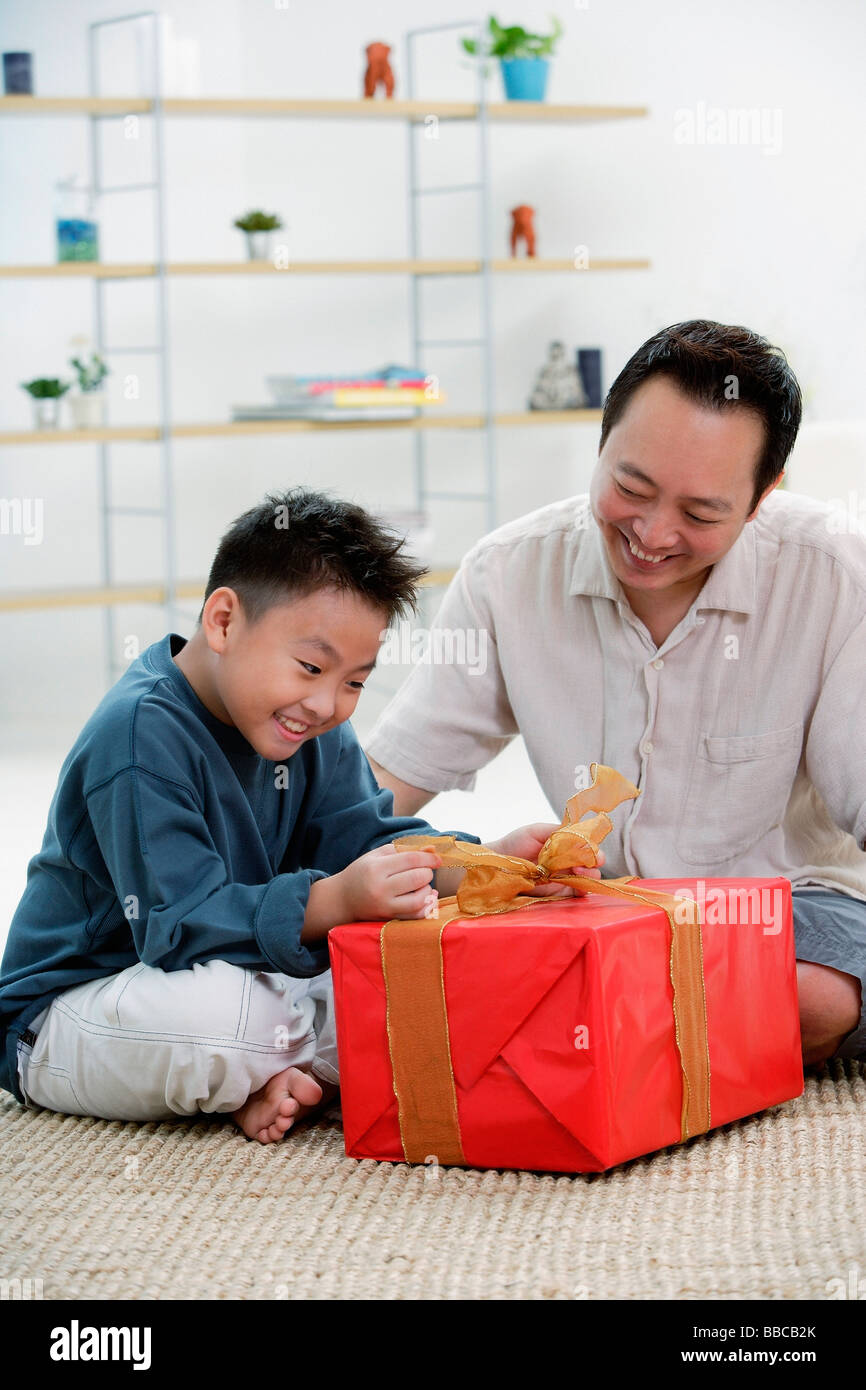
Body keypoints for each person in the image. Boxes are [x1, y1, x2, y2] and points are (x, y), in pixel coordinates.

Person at [0, 488, 594, 1144]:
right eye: (311, 666)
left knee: (412, 979)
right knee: (230, 1018)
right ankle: (270, 1066)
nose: (327, 703)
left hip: (243, 974)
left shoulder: (310, 729)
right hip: (78, 1006)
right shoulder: (140, 733)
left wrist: (491, 865)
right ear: (224, 622)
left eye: (355, 682)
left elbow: (367, 840)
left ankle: (263, 1080)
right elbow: (178, 928)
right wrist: (336, 900)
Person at [366, 319, 866, 1069]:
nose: (652, 533)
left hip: (789, 908)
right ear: (599, 446)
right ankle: (622, 1031)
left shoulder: (831, 572)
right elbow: (383, 785)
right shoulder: (508, 573)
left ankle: (576, 1030)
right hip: (601, 913)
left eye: (700, 514)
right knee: (423, 947)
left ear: (763, 498)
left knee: (814, 995)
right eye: (630, 488)